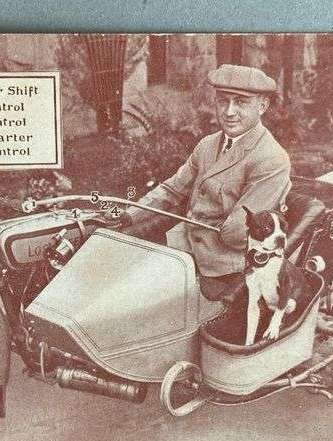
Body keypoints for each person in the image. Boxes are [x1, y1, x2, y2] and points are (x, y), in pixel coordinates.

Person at [117, 64, 291, 296]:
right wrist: (129, 214)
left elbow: (237, 235)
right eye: (222, 101)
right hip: (181, 243)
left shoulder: (271, 159)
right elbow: (172, 189)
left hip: (224, 266)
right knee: (122, 285)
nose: (229, 111)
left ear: (263, 105)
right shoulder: (208, 144)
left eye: (240, 102)